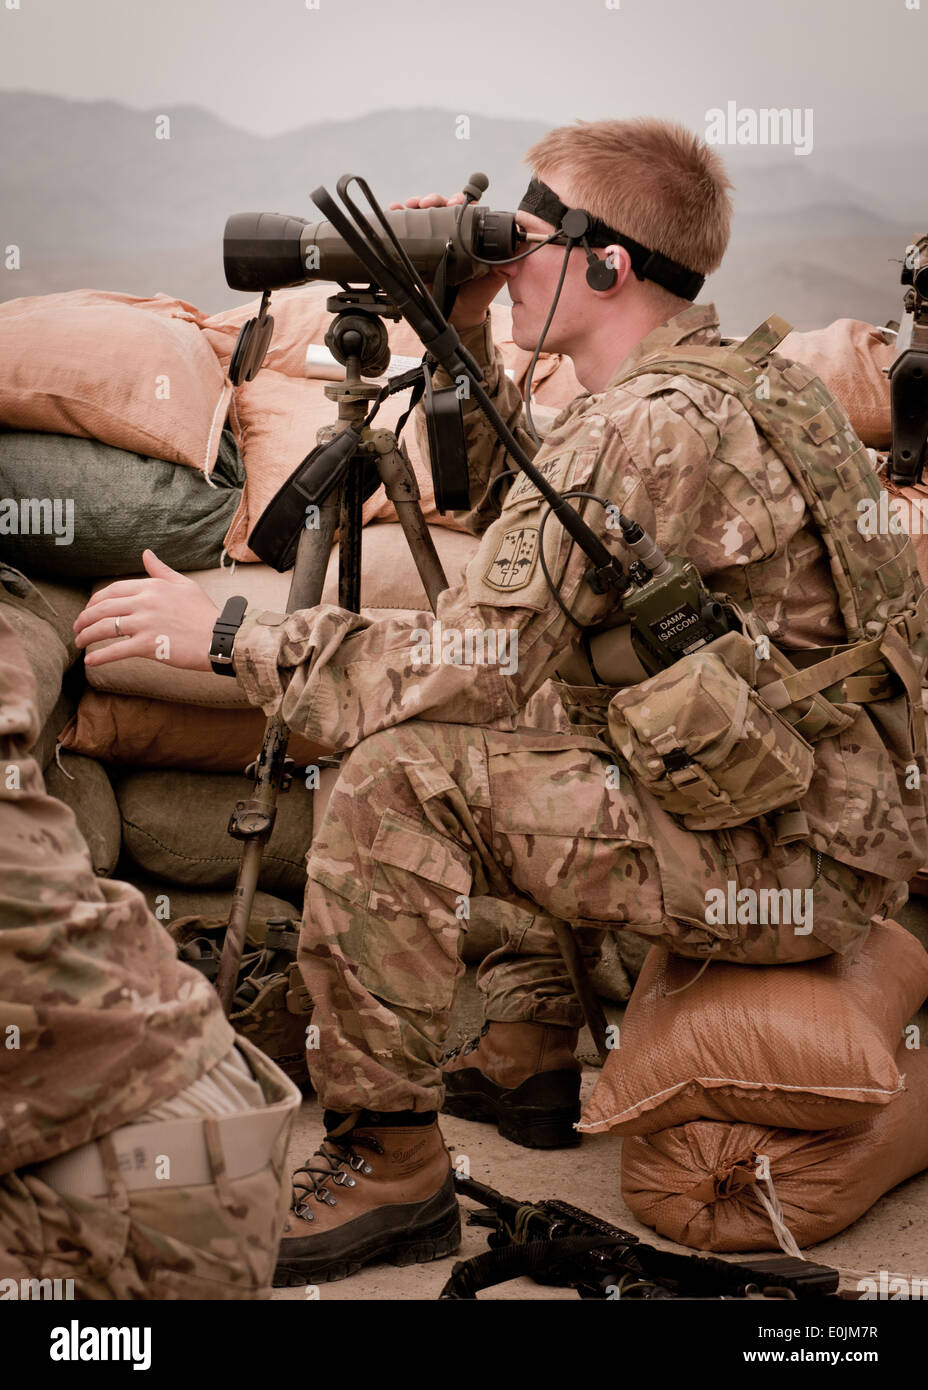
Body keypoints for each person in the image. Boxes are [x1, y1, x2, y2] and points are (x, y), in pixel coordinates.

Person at [73, 117, 928, 1287]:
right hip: (821, 813)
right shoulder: (734, 381)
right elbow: (543, 501)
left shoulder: (649, 427)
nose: (502, 256)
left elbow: (472, 656)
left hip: (790, 856)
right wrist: (464, 320)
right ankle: (524, 1045)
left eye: (519, 240)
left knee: (400, 773)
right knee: (549, 712)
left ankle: (392, 1163)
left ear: (608, 261)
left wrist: (225, 633)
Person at [0, 586, 300, 1299]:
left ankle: (401, 1149)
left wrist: (232, 635)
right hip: (198, 1132)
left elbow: (485, 662)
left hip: (136, 1196)